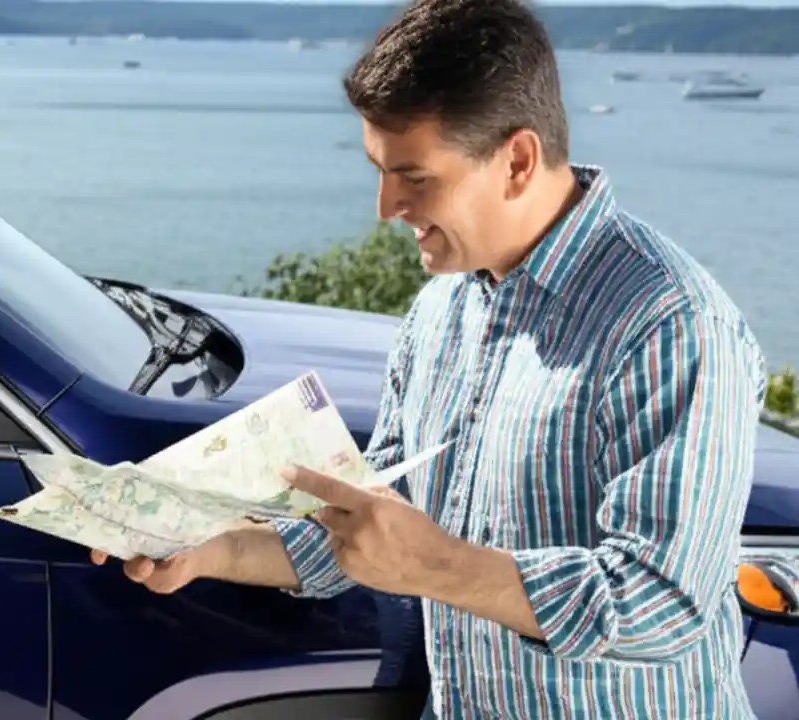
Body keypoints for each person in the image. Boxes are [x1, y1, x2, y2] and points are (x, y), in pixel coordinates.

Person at [91, 0, 769, 717]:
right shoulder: (443, 310)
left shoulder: (669, 322)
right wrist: (209, 548)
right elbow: (378, 522)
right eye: (380, 170)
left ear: (516, 160)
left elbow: (662, 603)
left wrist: (436, 565)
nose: (386, 206)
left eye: (415, 176)